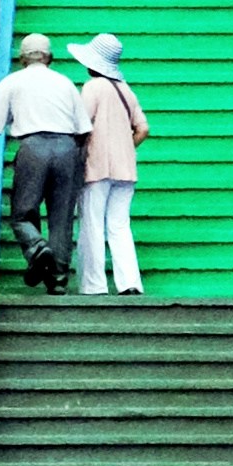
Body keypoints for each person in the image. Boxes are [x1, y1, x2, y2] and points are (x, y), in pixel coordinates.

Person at [0, 27, 85, 290]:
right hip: (67, 147)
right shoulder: (65, 83)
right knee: (61, 217)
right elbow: (83, 129)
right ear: (49, 58)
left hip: (32, 146)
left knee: (22, 213)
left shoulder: (12, 82)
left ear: (22, 59)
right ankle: (59, 279)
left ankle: (37, 247)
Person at [67, 29, 148, 296]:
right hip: (126, 169)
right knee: (119, 225)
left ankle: (94, 285)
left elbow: (81, 124)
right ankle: (130, 283)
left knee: (91, 224)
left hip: (97, 167)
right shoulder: (127, 91)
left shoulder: (92, 88)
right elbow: (143, 129)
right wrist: (125, 148)